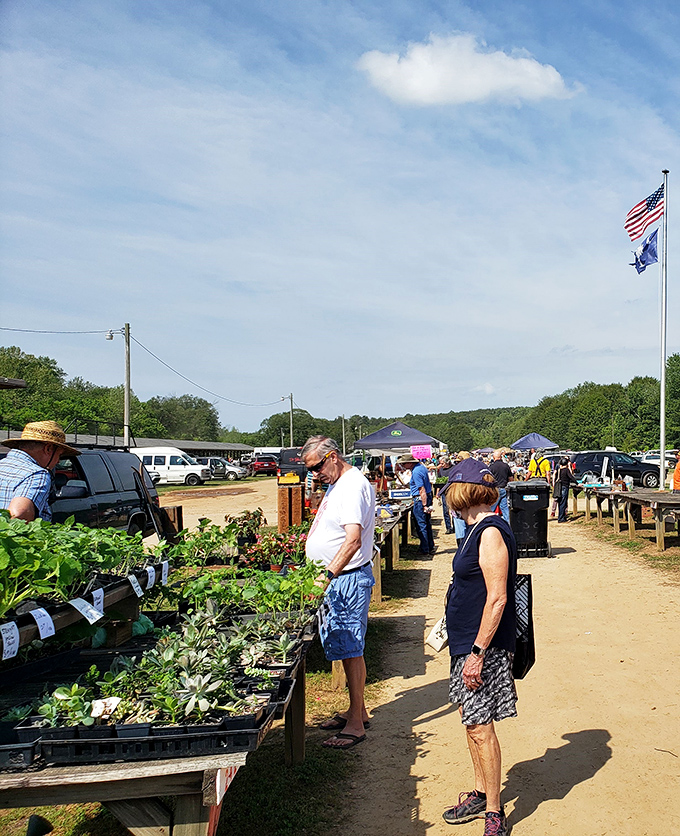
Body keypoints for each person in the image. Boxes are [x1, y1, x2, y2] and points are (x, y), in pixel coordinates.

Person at [441, 458, 517, 836]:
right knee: (471, 723)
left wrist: (477, 654)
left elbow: (498, 598)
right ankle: (480, 792)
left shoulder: (490, 532)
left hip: (480, 648)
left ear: (461, 492)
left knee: (480, 727)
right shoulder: (475, 529)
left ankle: (493, 812)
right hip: (466, 644)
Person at [302, 435, 375, 749]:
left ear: (332, 456)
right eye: (310, 469)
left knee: (351, 647)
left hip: (346, 578)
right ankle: (357, 710)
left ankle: (356, 724)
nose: (314, 474)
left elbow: (353, 540)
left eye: (316, 467)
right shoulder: (338, 483)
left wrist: (327, 575)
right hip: (339, 578)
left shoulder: (352, 486)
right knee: (346, 647)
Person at [0, 421, 80, 521]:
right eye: (59, 455)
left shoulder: (2, 464)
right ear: (48, 449)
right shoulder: (36, 474)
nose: (58, 461)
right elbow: (19, 514)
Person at [398, 453, 435, 555]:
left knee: (421, 524)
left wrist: (424, 505)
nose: (403, 466)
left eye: (404, 464)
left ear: (410, 463)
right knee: (426, 523)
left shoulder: (416, 472)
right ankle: (429, 546)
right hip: (426, 497)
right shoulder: (421, 467)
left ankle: (425, 548)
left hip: (420, 499)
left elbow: (421, 489)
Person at [488, 450, 512, 524]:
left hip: (495, 489)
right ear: (500, 457)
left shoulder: (491, 467)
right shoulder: (506, 466)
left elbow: (488, 479)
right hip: (504, 488)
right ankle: (508, 524)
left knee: (491, 508)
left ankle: (489, 523)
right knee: (505, 508)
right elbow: (511, 479)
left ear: (494, 457)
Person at [556, 456, 578, 522]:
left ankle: (561, 516)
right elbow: (571, 477)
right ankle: (561, 518)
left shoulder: (560, 470)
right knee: (563, 502)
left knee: (560, 502)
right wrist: (577, 483)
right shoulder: (566, 470)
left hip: (560, 487)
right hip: (564, 487)